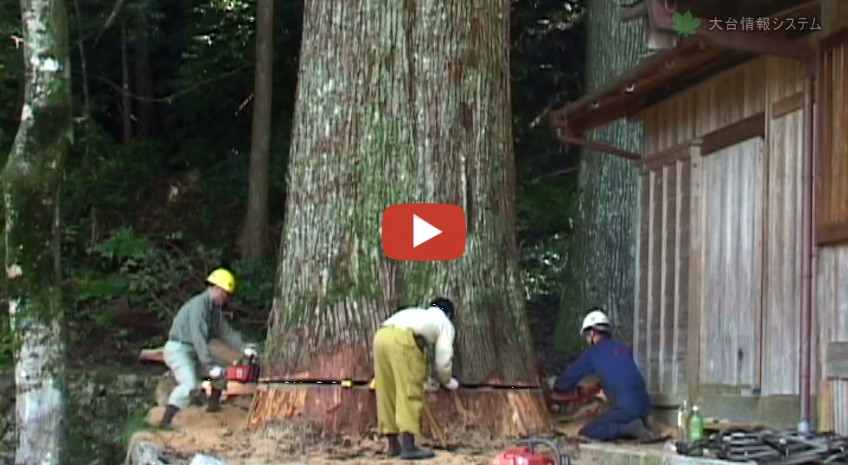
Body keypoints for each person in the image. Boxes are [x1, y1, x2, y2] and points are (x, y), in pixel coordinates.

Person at [158, 268, 258, 429]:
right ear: (217, 289)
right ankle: (166, 420)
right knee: (189, 383)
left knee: (223, 368)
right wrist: (209, 366)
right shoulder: (199, 306)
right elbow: (198, 338)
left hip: (193, 350)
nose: (226, 298)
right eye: (225, 294)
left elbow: (226, 331)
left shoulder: (214, 310)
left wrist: (243, 347)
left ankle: (213, 406)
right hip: (179, 349)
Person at [373, 298, 460, 460]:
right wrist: (447, 381)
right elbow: (443, 359)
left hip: (381, 336)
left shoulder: (418, 314)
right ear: (448, 314)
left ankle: (393, 445)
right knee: (409, 391)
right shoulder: (444, 323)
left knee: (387, 391)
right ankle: (408, 446)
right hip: (403, 339)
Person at [552, 309, 656, 442]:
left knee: (588, 431)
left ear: (592, 332)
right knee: (629, 405)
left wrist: (558, 387)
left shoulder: (594, 353)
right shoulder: (623, 347)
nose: (587, 339)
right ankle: (647, 418)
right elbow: (620, 374)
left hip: (626, 407)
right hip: (645, 403)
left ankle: (630, 428)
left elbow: (570, 376)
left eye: (587, 335)